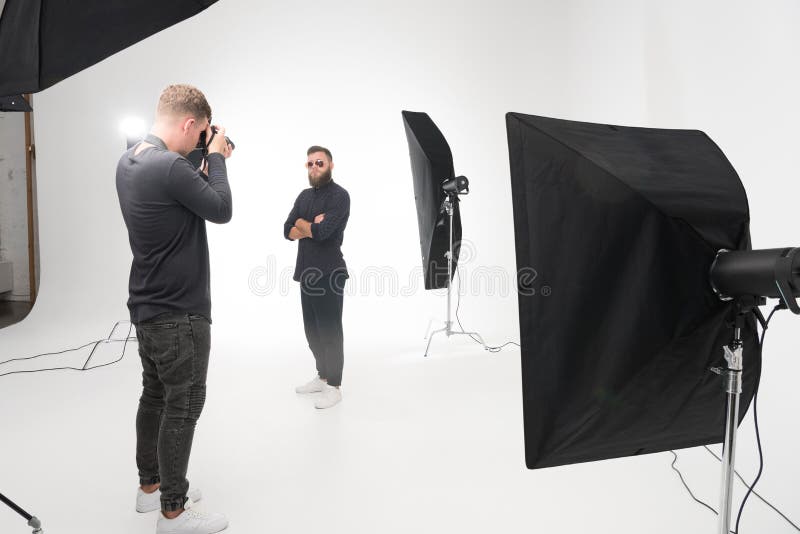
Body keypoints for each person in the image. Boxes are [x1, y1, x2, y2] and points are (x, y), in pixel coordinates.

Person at [116, 84, 232, 534]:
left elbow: (177, 191)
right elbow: (220, 208)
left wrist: (203, 162)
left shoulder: (131, 160)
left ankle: (150, 488)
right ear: (189, 123)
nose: (201, 139)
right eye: (200, 132)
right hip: (180, 312)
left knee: (155, 396)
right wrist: (218, 159)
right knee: (184, 404)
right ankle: (173, 512)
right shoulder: (171, 168)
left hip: (146, 304)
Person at [284, 145, 350, 409]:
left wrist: (306, 224)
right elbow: (286, 229)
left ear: (331, 165)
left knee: (330, 331)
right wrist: (308, 224)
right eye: (310, 164)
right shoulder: (303, 196)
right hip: (307, 273)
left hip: (330, 273)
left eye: (319, 163)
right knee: (312, 331)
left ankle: (334, 386)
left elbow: (323, 234)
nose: (314, 167)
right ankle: (322, 376)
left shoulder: (340, 196)